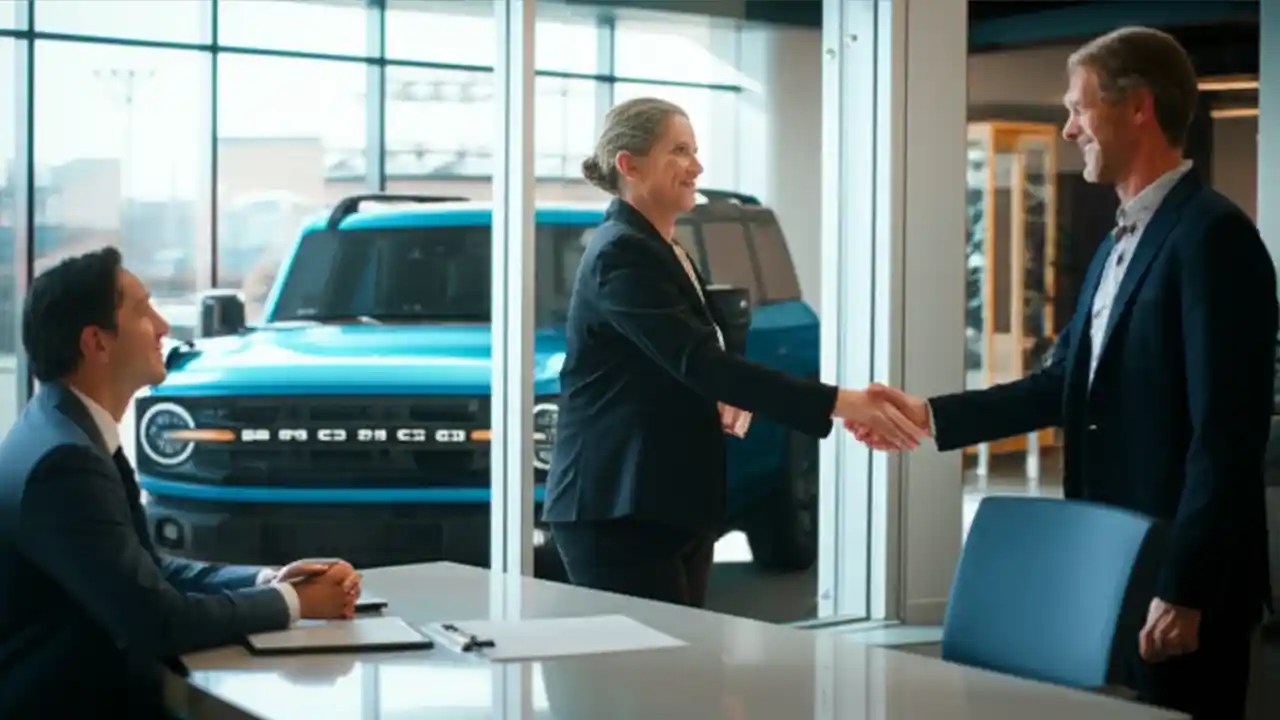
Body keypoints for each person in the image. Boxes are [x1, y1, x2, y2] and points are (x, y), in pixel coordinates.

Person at [852, 27, 1275, 719]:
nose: (1069, 128)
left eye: (1079, 107)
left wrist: (1186, 588)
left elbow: (1226, 435)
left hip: (1180, 579)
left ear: (1138, 107)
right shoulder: (1117, 243)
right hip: (1111, 560)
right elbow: (1061, 387)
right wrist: (927, 415)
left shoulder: (1214, 238)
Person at [543, 97, 926, 609]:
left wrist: (729, 392)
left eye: (695, 150)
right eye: (679, 151)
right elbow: (700, 363)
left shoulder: (663, 247)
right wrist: (846, 403)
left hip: (667, 499)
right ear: (629, 165)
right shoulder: (621, 252)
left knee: (681, 655)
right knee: (651, 658)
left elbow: (698, 350)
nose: (696, 166)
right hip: (619, 505)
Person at [0, 248, 364, 718]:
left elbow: (148, 572)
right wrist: (295, 602)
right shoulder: (65, 462)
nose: (163, 325)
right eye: (142, 310)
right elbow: (158, 622)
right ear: (97, 342)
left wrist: (268, 580)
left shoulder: (60, 427)